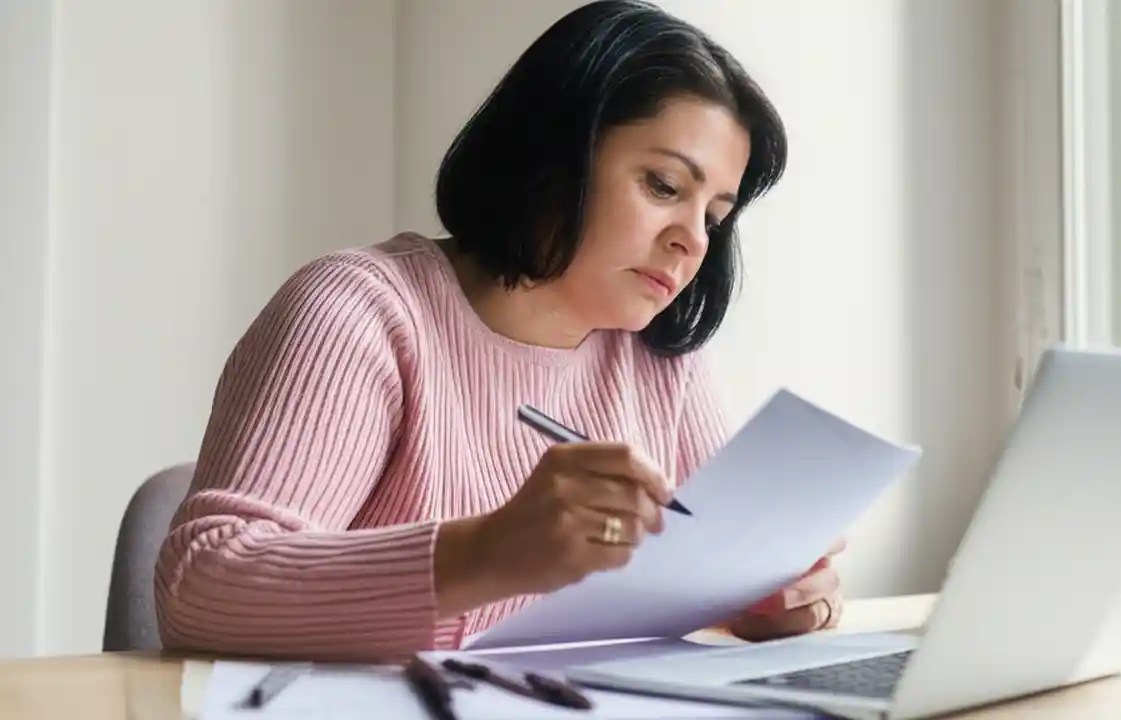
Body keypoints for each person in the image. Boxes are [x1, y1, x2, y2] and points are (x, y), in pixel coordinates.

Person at [154, 0, 844, 660]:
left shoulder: (663, 363)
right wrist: (487, 554)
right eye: (664, 186)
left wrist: (762, 600)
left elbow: (702, 580)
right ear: (553, 156)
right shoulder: (358, 314)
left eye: (714, 216)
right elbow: (201, 584)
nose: (691, 241)